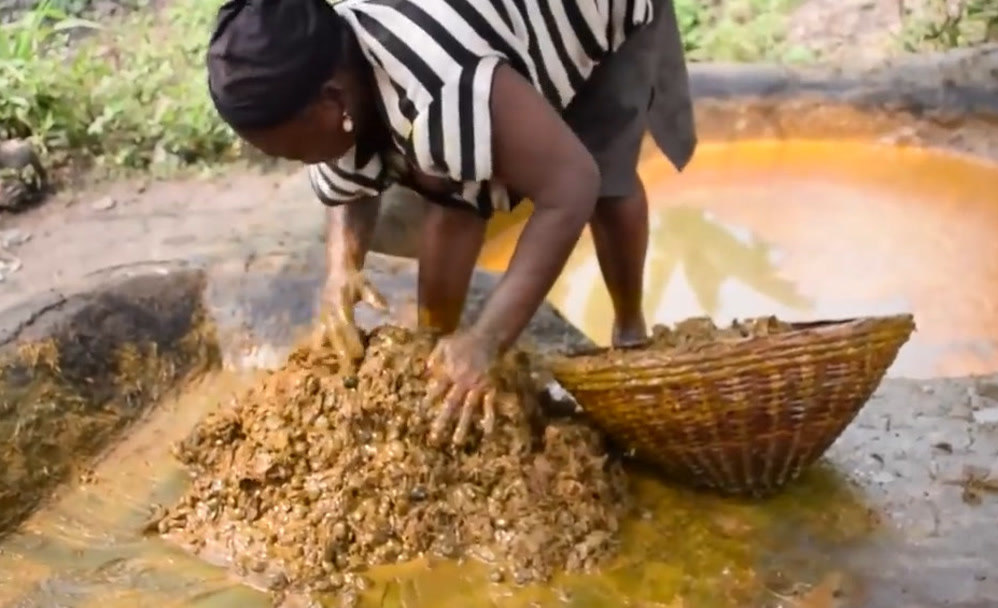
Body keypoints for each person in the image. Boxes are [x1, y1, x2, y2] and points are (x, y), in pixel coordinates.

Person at [205, 0, 695, 444]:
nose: (289, 161)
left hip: (589, 13)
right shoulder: (337, 65)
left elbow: (572, 187)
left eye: (288, 150)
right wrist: (342, 270)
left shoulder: (442, 86)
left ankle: (630, 331)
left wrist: (487, 341)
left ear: (334, 102)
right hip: (481, 45)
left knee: (607, 177)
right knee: (445, 179)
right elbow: (372, 175)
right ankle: (437, 337)